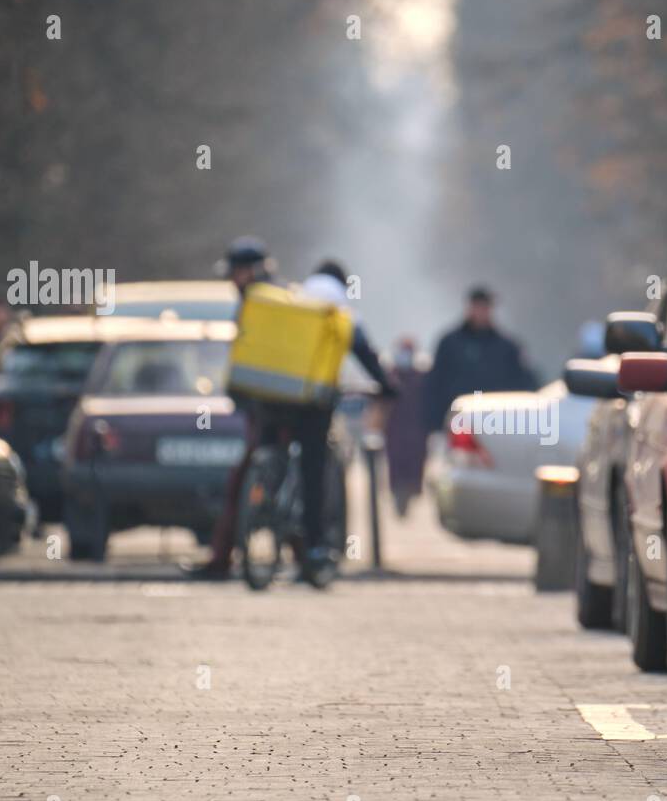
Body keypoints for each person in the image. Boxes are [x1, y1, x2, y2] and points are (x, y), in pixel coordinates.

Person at [191, 240, 397, 586]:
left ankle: (257, 517)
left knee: (263, 461)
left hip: (268, 399)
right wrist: (387, 387)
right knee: (312, 473)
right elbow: (360, 348)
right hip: (311, 405)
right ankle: (314, 549)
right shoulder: (333, 308)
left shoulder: (283, 301)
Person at [423, 285, 536, 433]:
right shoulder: (450, 343)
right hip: (456, 420)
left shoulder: (507, 347)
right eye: (478, 306)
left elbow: (523, 383)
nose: (481, 312)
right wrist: (434, 423)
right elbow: (435, 383)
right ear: (469, 308)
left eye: (485, 307)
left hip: (497, 423)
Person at [382, 337, 429, 517]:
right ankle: (397, 493)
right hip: (394, 428)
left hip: (416, 428)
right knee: (395, 461)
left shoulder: (421, 377)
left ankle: (411, 490)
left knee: (415, 460)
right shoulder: (389, 376)